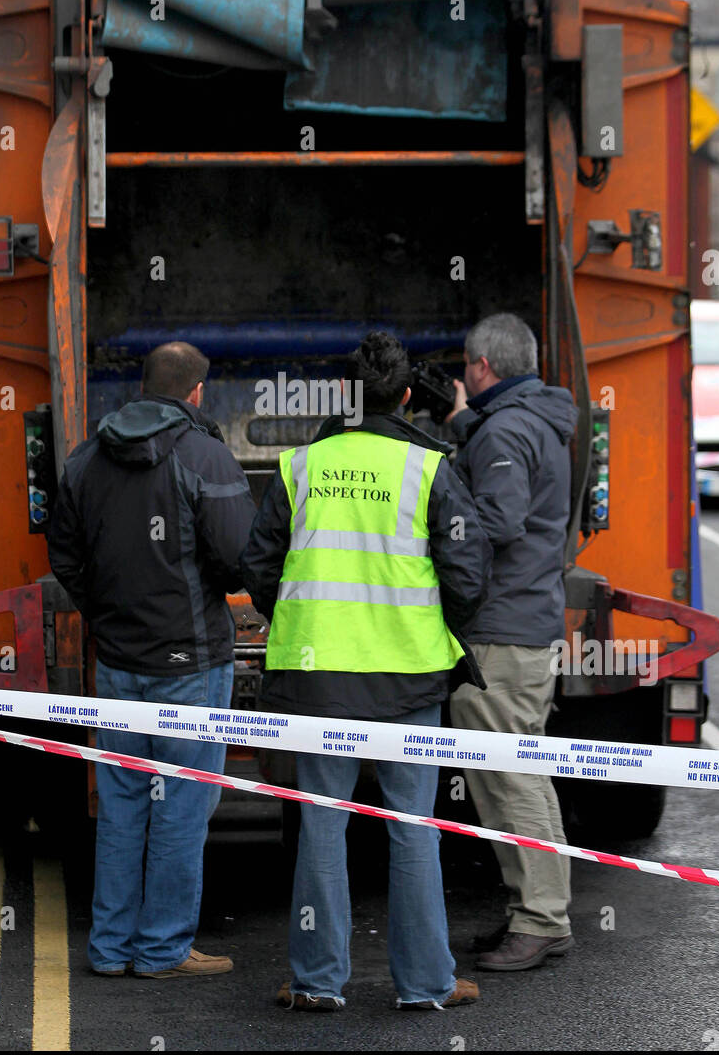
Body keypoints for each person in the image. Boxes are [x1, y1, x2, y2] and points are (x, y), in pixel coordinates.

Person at [241, 331, 492, 1011]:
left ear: (349, 395)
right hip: (408, 675)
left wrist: (301, 616)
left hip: (317, 674)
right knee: (412, 825)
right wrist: (434, 623)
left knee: (323, 821)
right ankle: (425, 985)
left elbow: (258, 567)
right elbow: (469, 576)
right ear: (409, 397)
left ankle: (318, 982)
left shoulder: (301, 467)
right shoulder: (431, 468)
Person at [47, 341, 255, 980]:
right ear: (195, 393)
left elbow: (65, 555)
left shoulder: (86, 459)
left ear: (142, 388)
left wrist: (106, 613)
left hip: (117, 663)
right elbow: (237, 556)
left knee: (123, 803)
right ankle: (162, 949)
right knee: (181, 808)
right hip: (190, 662)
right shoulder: (204, 455)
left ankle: (110, 950)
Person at [446, 312, 578, 972]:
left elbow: (496, 520)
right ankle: (540, 914)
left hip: (500, 630)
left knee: (508, 779)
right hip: (527, 624)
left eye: (467, 365)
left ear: (481, 368)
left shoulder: (506, 429)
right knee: (522, 774)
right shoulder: (533, 422)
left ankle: (541, 920)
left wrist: (439, 518)